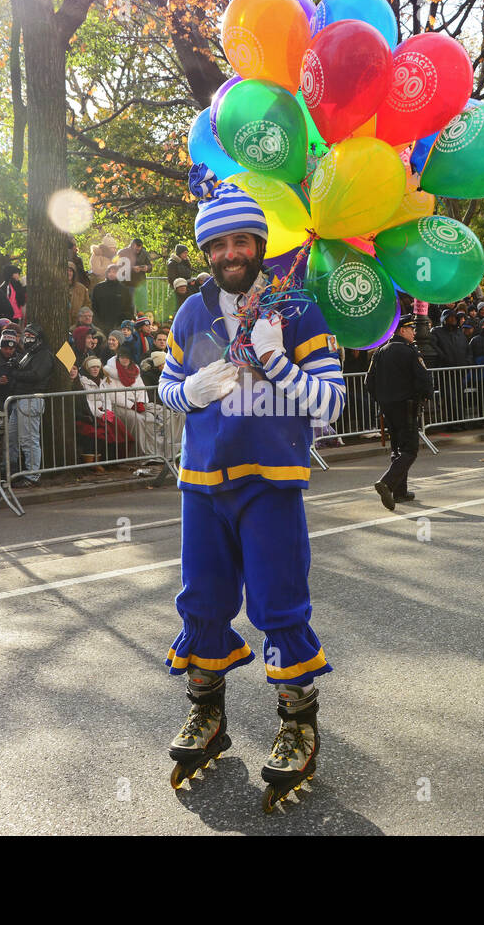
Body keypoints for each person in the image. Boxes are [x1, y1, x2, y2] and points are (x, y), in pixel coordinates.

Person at [156, 166, 345, 808]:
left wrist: (277, 361)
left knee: (277, 605)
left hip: (271, 478)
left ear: (259, 245)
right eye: (217, 246)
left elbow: (332, 405)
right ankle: (209, 716)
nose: (228, 255)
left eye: (240, 242)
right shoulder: (191, 309)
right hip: (201, 480)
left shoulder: (297, 308)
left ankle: (298, 726)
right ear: (207, 252)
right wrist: (191, 390)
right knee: (202, 601)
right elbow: (167, 387)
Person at [365, 313, 432, 509]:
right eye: (411, 329)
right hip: (406, 405)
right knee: (410, 449)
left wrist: (382, 399)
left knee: (397, 448)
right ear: (402, 330)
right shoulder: (410, 352)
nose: (414, 333)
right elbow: (423, 378)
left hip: (388, 407)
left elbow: (368, 382)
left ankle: (400, 491)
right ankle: (387, 482)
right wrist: (426, 395)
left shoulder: (380, 352)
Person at [6, 324, 53, 486]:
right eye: (26, 336)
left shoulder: (44, 355)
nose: (28, 339)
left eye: (31, 336)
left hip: (31, 398)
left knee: (29, 439)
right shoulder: (28, 354)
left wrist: (15, 373)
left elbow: (37, 375)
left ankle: (32, 476)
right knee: (12, 438)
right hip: (18, 399)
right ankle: (12, 472)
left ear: (39, 338)